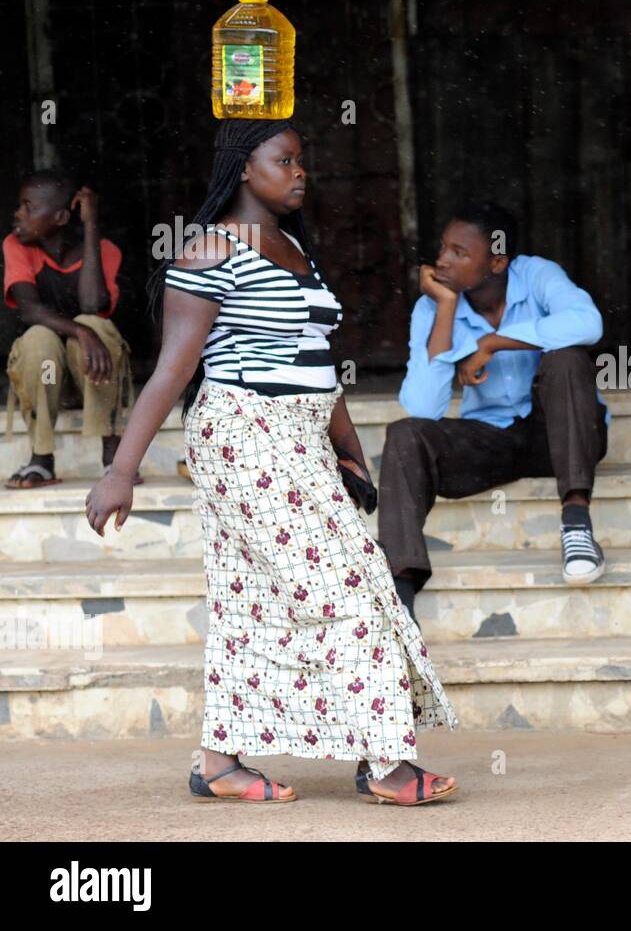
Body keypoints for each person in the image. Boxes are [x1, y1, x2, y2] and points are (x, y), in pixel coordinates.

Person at [83, 119, 459, 806]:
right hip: (243, 431)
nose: (299, 172)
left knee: (247, 599)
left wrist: (350, 449)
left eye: (301, 160)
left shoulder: (292, 248)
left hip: (300, 434)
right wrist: (122, 469)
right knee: (346, 587)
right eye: (283, 160)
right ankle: (386, 762)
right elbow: (172, 369)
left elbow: (316, 362)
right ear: (243, 169)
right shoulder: (207, 252)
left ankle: (219, 762)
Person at [379, 201, 609, 618]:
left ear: (498, 262)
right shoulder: (430, 307)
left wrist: (492, 343)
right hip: (492, 441)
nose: (442, 260)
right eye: (443, 248)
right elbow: (422, 407)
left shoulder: (537, 275)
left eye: (459, 253)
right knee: (405, 434)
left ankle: (576, 521)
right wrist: (446, 307)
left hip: (559, 435)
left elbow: (587, 323)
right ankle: (401, 587)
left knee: (567, 358)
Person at [5, 171, 138, 488]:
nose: (18, 214)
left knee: (95, 324)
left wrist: (91, 226)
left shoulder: (105, 250)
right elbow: (28, 309)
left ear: (61, 217)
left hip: (93, 377)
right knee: (39, 337)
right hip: (49, 379)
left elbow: (93, 306)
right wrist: (81, 332)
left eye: (28, 207)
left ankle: (112, 454)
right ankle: (42, 459)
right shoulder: (16, 245)